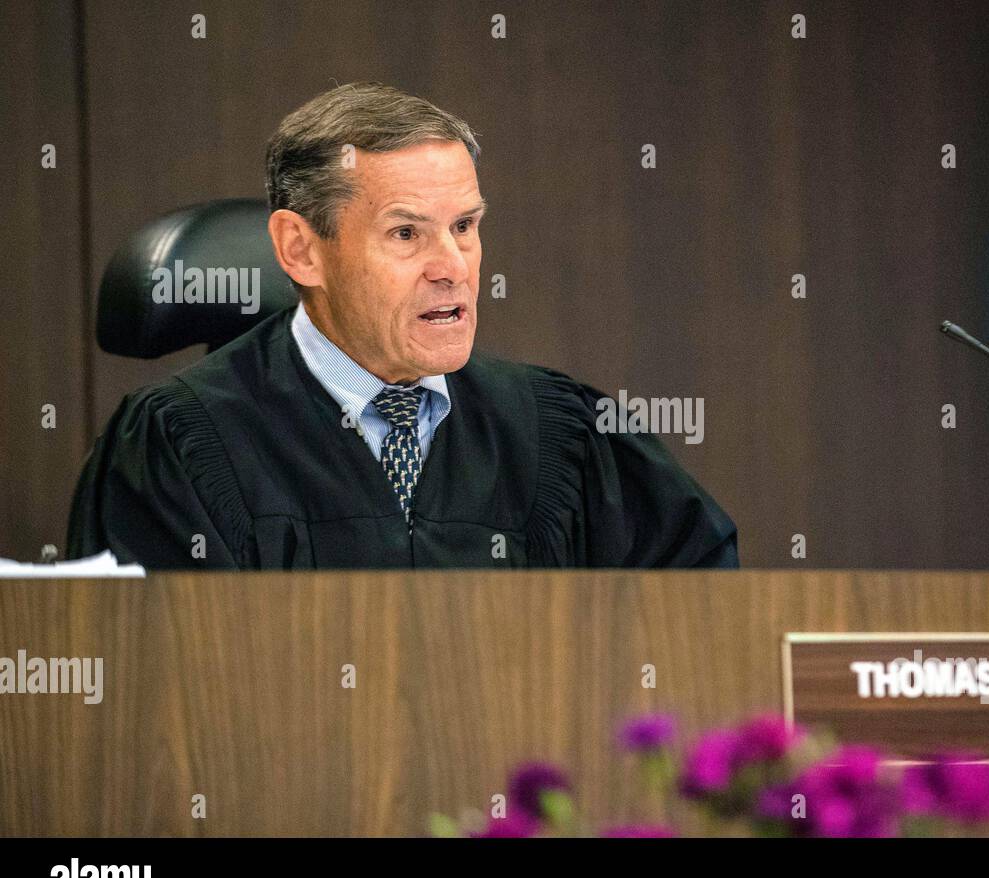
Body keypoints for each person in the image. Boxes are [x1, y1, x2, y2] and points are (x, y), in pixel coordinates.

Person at [67, 82, 737, 569]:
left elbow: (697, 618)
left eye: (466, 227)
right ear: (301, 249)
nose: (453, 267)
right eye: (406, 232)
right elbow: (162, 704)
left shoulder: (560, 432)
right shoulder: (175, 445)